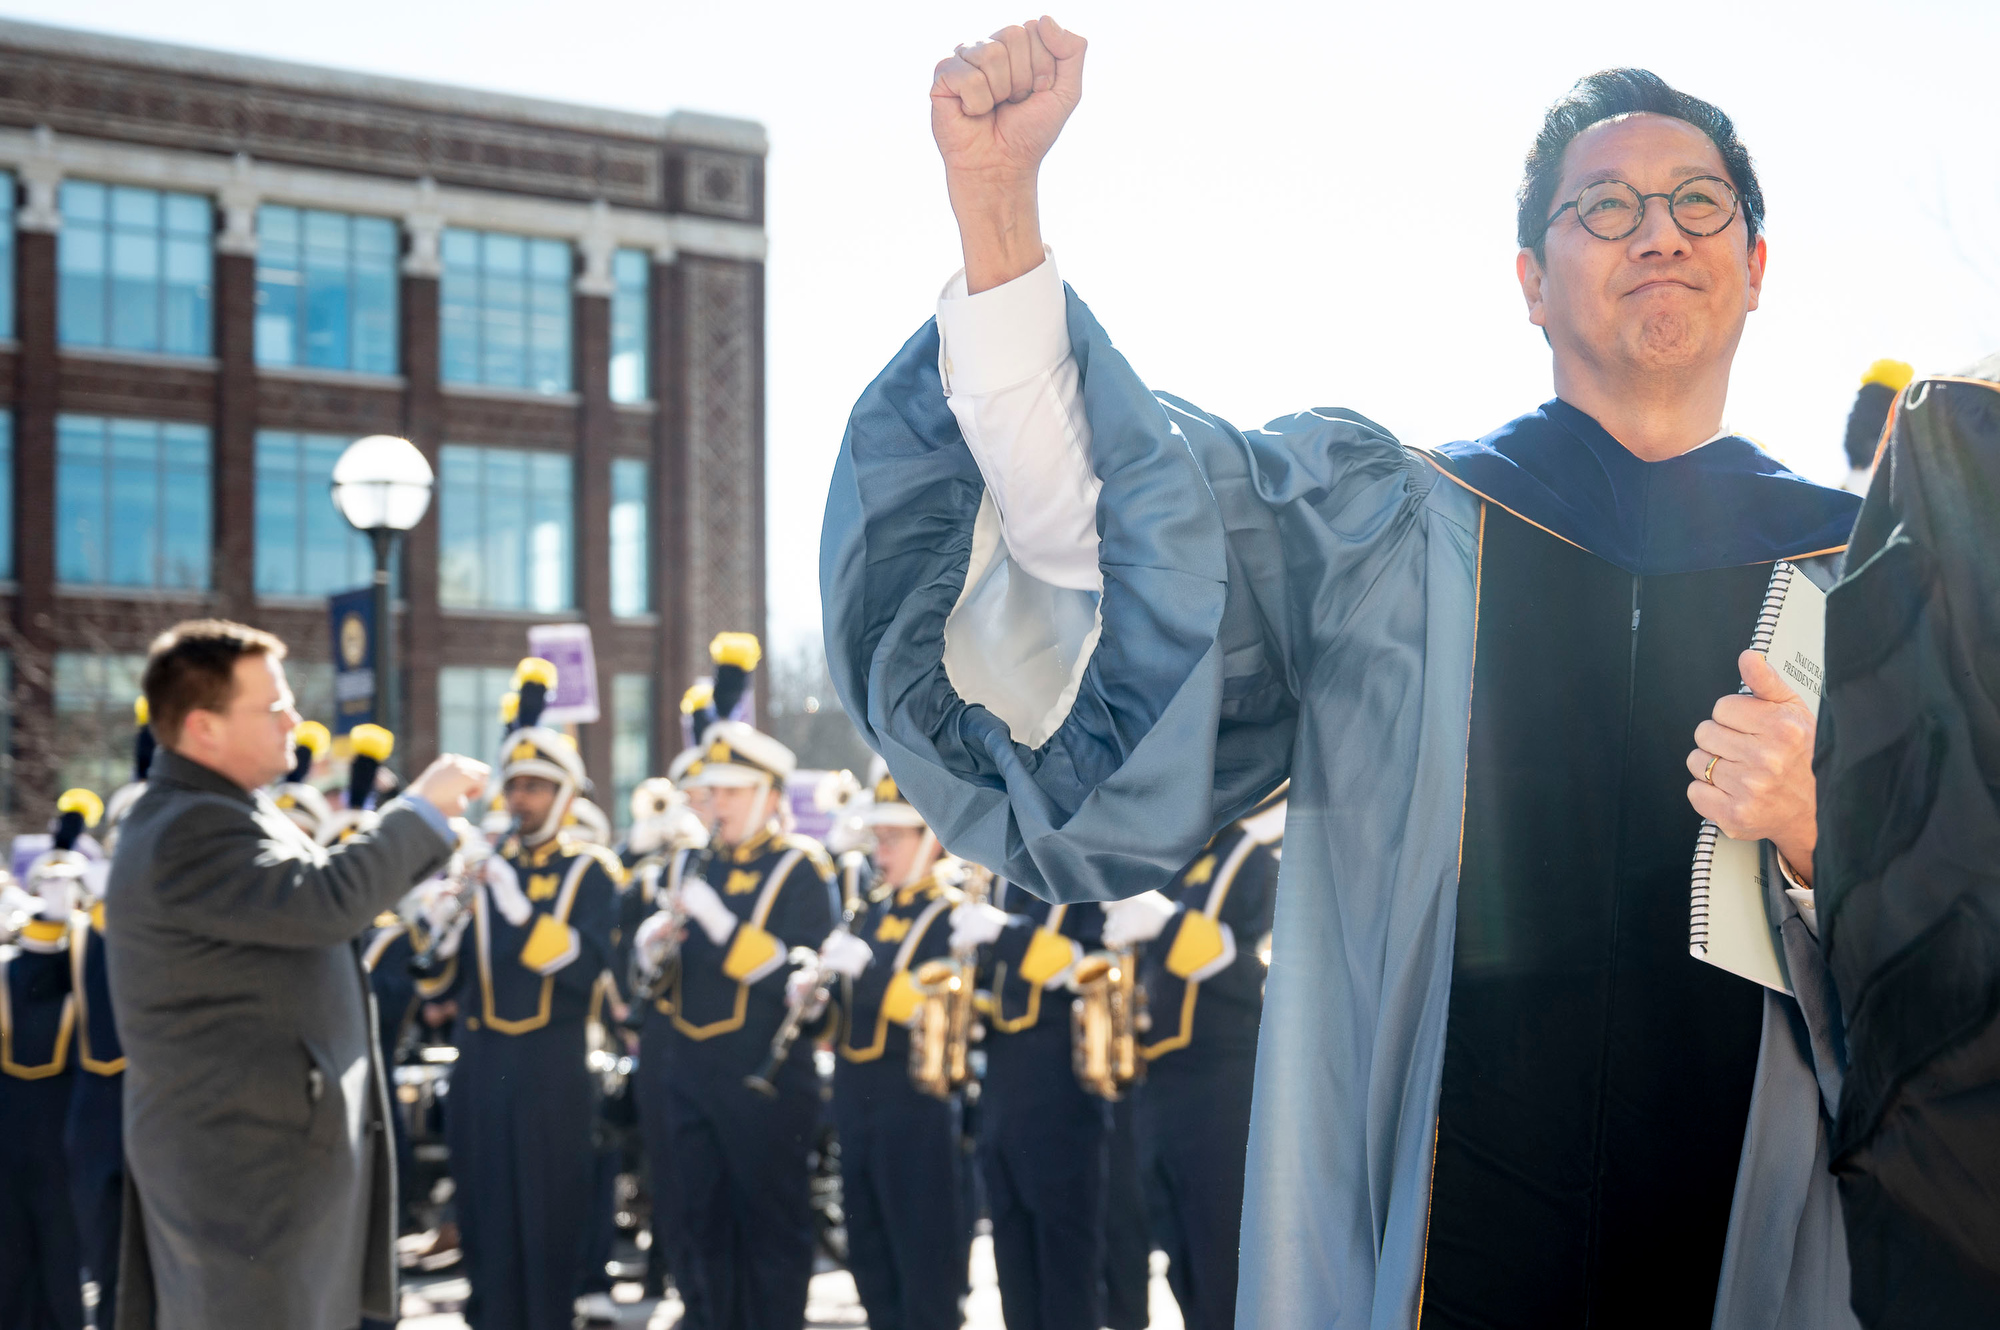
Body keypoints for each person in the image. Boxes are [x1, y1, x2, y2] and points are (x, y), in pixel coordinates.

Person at [822, 22, 1866, 1328]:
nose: (1658, 231)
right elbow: (1125, 536)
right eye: (1604, 207)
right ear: (1532, 282)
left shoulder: (1869, 581)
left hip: (1757, 1247)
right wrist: (999, 209)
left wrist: (1828, 835)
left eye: (1697, 202)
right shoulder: (1388, 535)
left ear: (1756, 264)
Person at [105, 620, 486, 1330]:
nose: (296, 720)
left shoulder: (223, 809)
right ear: (203, 727)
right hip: (242, 1178)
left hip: (262, 1171)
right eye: (273, 707)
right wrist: (420, 812)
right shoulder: (188, 827)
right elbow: (321, 902)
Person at [413, 658, 623, 1330]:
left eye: (536, 786)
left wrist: (517, 912)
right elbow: (433, 989)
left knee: (547, 1223)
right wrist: (441, 928)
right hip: (480, 1067)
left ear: (563, 796)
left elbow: (586, 967)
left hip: (551, 1067)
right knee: (484, 1219)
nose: (521, 798)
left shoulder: (590, 870)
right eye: (515, 786)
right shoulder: (482, 867)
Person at [634, 719, 837, 1330]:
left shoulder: (801, 867)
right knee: (702, 1227)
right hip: (690, 1075)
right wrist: (651, 949)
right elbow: (662, 985)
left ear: (770, 797)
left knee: (771, 1231)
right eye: (713, 791)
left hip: (765, 1082)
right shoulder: (690, 863)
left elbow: (800, 979)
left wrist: (721, 927)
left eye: (732, 791)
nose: (716, 804)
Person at [1106, 806, 1281, 1330]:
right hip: (1159, 1091)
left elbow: (1270, 976)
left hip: (1224, 1086)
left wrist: (1169, 927)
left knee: (1224, 1258)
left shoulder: (1259, 855)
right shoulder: (1173, 865)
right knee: (1183, 1266)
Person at [808, 760, 967, 1330]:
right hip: (857, 1098)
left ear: (931, 840)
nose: (881, 850)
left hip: (913, 1100)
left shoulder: (951, 913)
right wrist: (811, 1001)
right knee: (870, 1251)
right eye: (878, 837)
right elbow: (841, 1023)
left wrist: (869, 970)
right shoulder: (870, 911)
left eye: (894, 837)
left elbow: (934, 1013)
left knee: (922, 1251)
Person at [949, 873, 1111, 1330]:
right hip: (1002, 1091)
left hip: (1062, 1090)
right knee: (1012, 1260)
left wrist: (1004, 933)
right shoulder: (1003, 885)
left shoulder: (1086, 877)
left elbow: (1093, 969)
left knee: (1065, 1263)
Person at [1, 791, 99, 1330]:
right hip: (33, 1130)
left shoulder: (85, 965)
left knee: (59, 1258)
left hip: (62, 1130)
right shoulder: (13, 966)